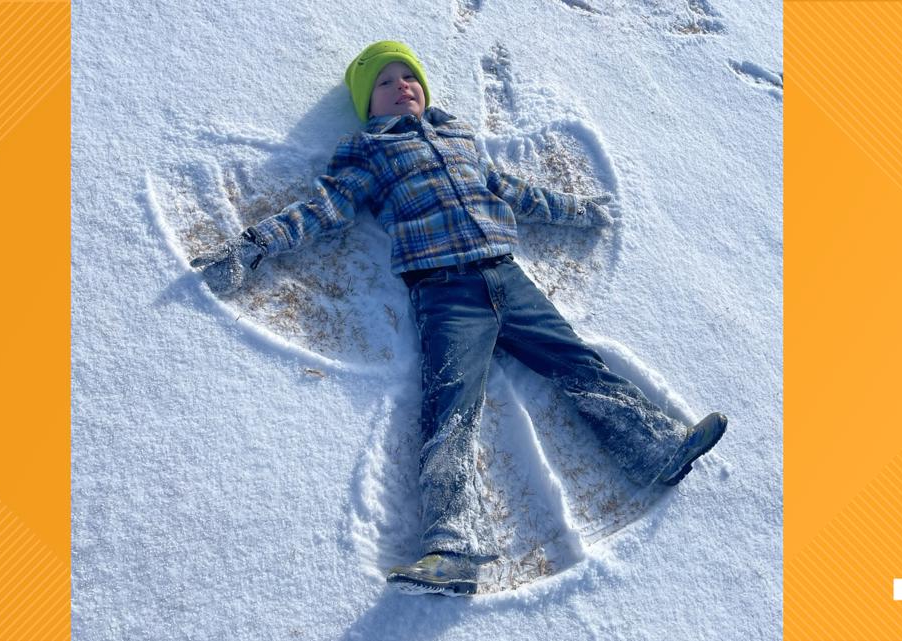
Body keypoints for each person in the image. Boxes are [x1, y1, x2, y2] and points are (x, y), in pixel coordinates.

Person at [191, 41, 727, 597]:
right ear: (367, 105)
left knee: (577, 362)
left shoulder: (458, 137)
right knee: (450, 407)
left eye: (408, 77)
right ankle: (453, 547)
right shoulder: (368, 151)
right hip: (445, 291)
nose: (401, 86)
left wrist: (576, 210)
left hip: (506, 275)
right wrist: (254, 245)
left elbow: (511, 191)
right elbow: (323, 209)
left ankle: (654, 448)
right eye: (384, 83)